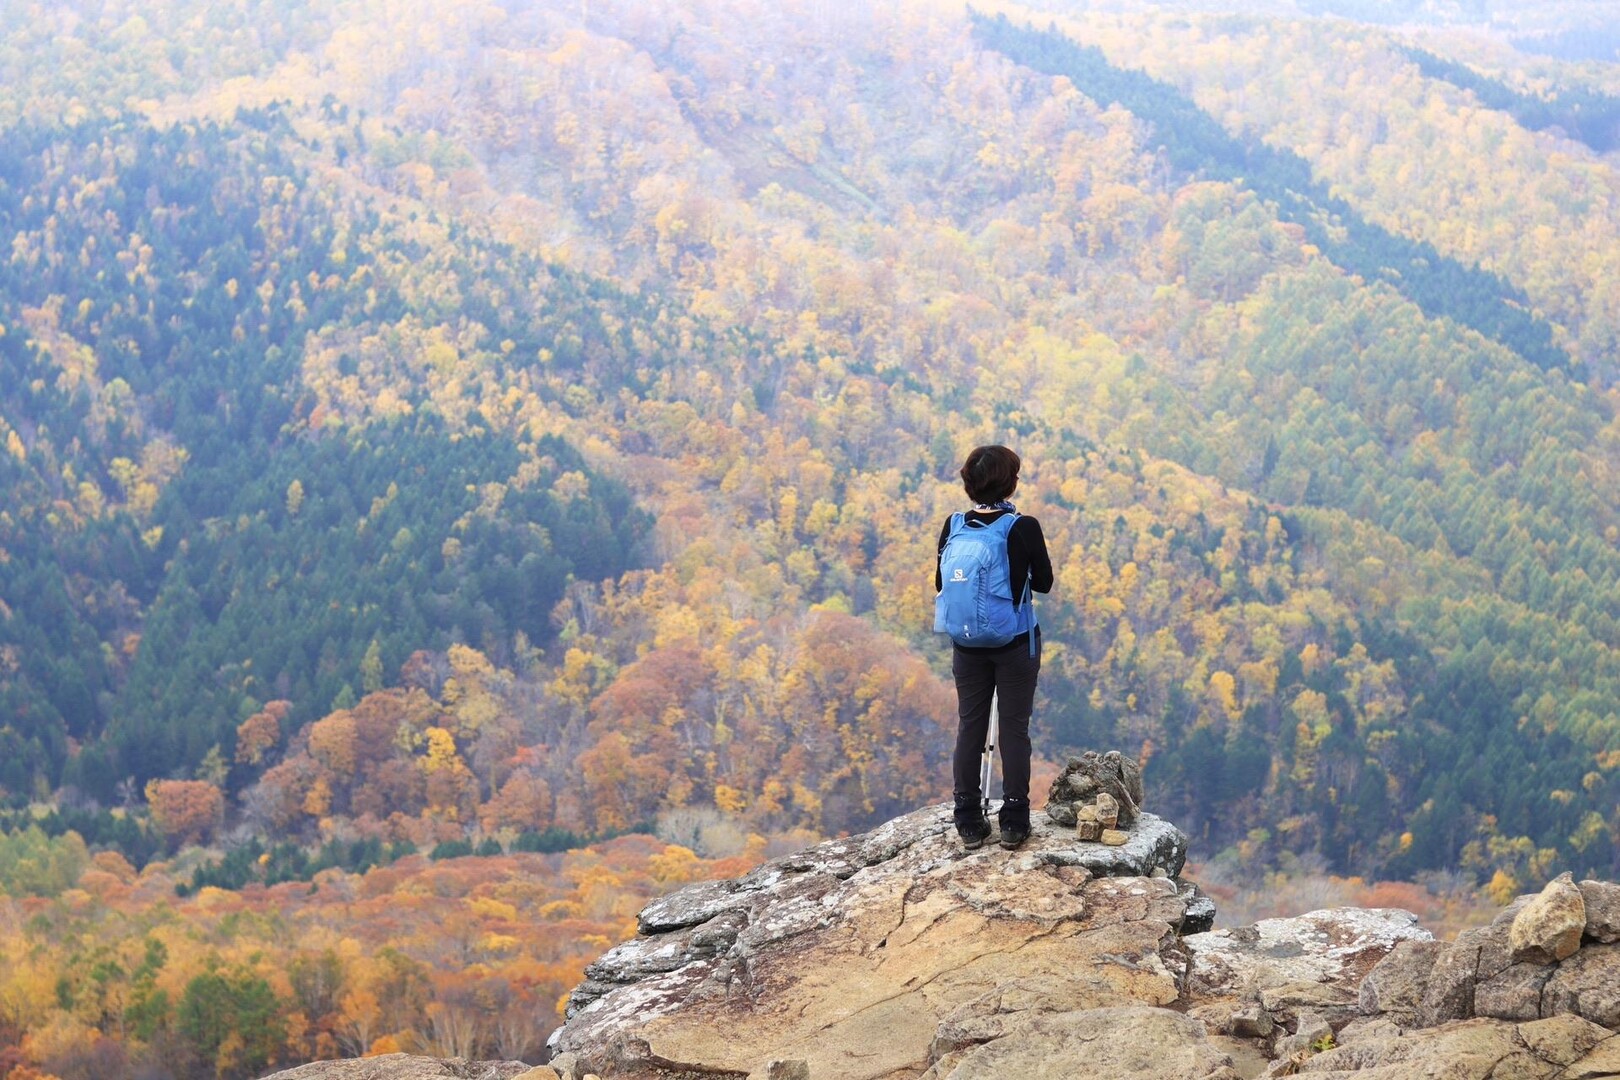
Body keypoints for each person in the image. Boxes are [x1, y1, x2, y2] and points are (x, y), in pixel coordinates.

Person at [935, 445, 1054, 850]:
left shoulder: (953, 526)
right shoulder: (1022, 527)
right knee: (1013, 728)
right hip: (1015, 642)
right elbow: (1044, 584)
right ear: (1011, 482)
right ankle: (1014, 820)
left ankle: (967, 819)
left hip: (966, 644)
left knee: (970, 725)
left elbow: (941, 585)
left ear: (969, 483)